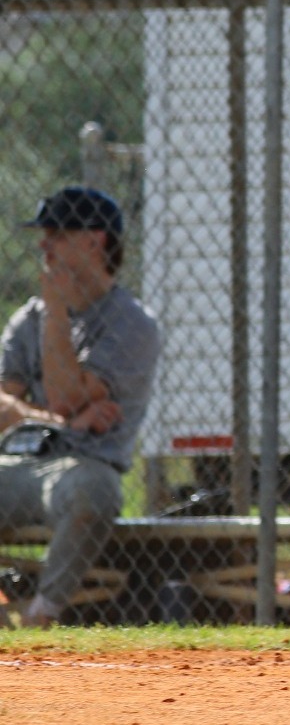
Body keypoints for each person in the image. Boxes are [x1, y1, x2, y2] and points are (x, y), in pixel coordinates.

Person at [0, 187, 161, 627]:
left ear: (95, 241)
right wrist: (56, 420)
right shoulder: (25, 318)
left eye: (56, 234)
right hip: (14, 463)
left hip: (83, 464)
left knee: (95, 492)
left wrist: (56, 311)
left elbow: (66, 394)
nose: (42, 245)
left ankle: (39, 616)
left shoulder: (133, 322)